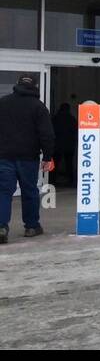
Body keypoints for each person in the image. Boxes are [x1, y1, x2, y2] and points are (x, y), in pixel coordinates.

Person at [0, 75, 56, 243]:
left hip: (4, 157)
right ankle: (31, 226)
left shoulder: (3, 102)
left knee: (3, 192)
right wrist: (47, 156)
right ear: (35, 86)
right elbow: (47, 134)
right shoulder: (38, 107)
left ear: (17, 84)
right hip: (28, 158)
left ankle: (1, 227)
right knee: (30, 191)